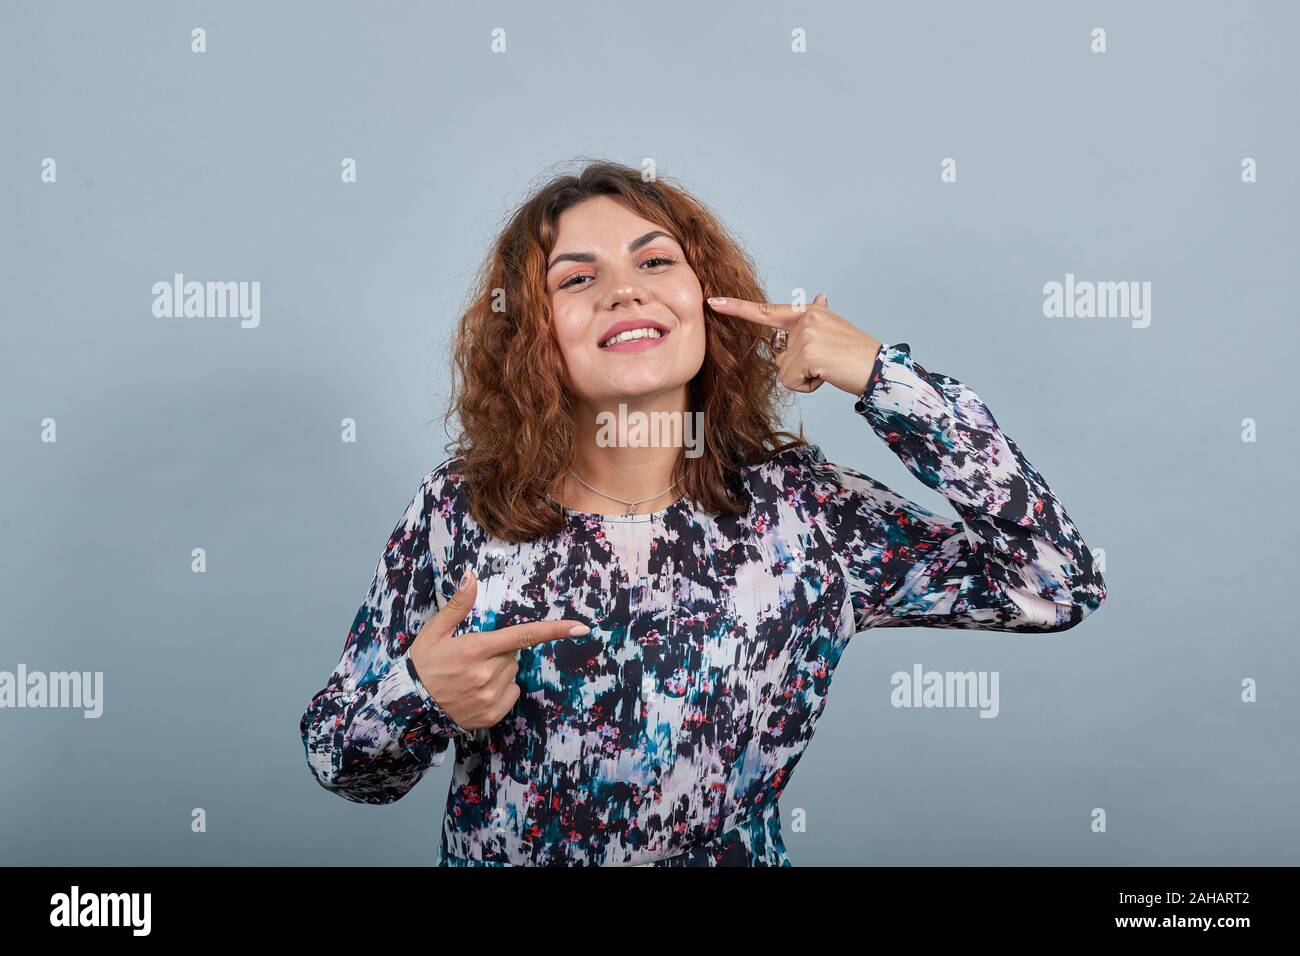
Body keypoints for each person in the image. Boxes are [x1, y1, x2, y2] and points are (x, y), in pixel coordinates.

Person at [299, 160, 1106, 866]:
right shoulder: (461, 510)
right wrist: (418, 694)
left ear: (705, 299)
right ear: (530, 333)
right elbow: (342, 763)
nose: (624, 289)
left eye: (655, 261)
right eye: (577, 278)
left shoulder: (804, 511)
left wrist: (881, 377)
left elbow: (1056, 585)